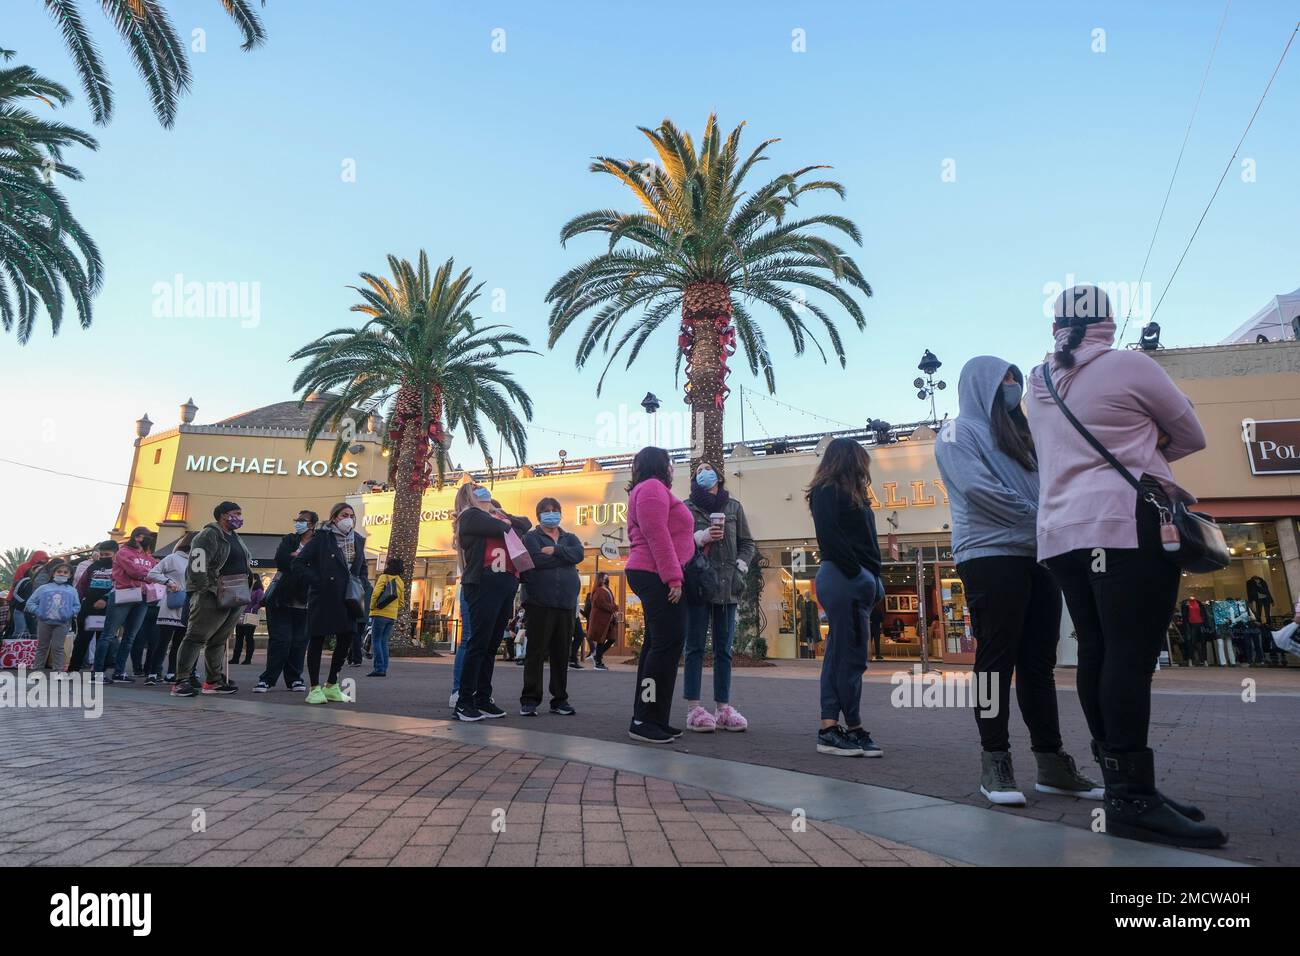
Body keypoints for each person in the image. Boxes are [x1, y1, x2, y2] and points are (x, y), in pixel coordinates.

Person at [1026, 284, 1226, 848]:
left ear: (1057, 324)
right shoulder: (1129, 366)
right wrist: (1148, 441)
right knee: (1131, 656)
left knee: (1097, 650)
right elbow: (1193, 435)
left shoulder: (1039, 382)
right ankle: (1134, 797)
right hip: (1124, 523)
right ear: (1109, 321)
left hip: (1061, 534)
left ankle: (1125, 787)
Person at [935, 354, 1101, 806]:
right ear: (981, 384)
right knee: (995, 660)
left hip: (1038, 553)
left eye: (1014, 377)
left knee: (1038, 663)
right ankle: (995, 760)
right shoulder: (956, 432)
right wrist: (1040, 518)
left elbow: (1052, 486)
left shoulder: (1022, 436)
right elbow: (977, 490)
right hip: (989, 555)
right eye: (1004, 378)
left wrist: (1055, 525)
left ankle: (1050, 761)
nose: (1012, 385)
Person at [808, 437, 884, 757]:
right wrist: (859, 574)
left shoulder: (852, 495)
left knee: (842, 655)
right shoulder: (828, 491)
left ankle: (836, 727)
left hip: (853, 581)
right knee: (851, 658)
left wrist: (870, 579)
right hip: (845, 579)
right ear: (850, 460)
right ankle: (845, 727)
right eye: (861, 460)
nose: (865, 467)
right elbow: (830, 536)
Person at [624, 446, 694, 744]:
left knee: (660, 645)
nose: (672, 468)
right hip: (655, 573)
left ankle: (654, 717)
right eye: (670, 463)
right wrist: (673, 577)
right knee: (665, 646)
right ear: (659, 465)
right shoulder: (652, 488)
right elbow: (657, 535)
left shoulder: (650, 489)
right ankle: (644, 718)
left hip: (656, 572)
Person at [682, 460, 756, 733]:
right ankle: (694, 708)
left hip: (728, 587)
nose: (704, 473)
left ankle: (723, 708)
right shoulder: (686, 508)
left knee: (724, 650)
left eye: (708, 468)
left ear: (719, 476)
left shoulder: (734, 507)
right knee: (695, 647)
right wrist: (700, 537)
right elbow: (678, 543)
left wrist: (741, 566)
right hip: (699, 585)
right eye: (698, 471)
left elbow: (747, 543)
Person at [453, 486, 531, 721]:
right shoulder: (469, 516)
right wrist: (502, 518)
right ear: (469, 497)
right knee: (478, 643)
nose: (484, 494)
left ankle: (483, 698)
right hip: (484, 584)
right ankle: (464, 701)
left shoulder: (491, 516)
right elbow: (504, 527)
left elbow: (525, 523)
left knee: (490, 645)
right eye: (478, 491)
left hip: (504, 584)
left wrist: (502, 514)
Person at [172, 501, 249, 697]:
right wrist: (204, 588)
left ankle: (213, 681)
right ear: (224, 515)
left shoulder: (235, 537)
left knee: (219, 639)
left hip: (234, 593)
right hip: (212, 592)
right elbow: (198, 564)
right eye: (236, 513)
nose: (240, 517)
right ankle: (181, 681)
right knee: (196, 636)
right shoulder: (208, 535)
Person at [294, 502, 367, 704]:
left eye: (351, 515)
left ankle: (332, 684)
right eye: (344, 514)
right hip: (324, 596)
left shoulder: (359, 540)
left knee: (347, 637)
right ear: (334, 517)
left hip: (349, 597)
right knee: (317, 638)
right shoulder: (322, 539)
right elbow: (299, 563)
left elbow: (361, 567)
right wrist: (317, 580)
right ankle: (314, 687)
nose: (349, 519)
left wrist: (361, 585)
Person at [519, 497, 584, 716]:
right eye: (546, 511)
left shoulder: (570, 537)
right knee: (535, 652)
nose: (551, 514)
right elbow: (535, 560)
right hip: (539, 603)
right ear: (539, 515)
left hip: (565, 604)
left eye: (555, 510)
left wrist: (555, 551)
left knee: (561, 653)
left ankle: (559, 700)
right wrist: (565, 557)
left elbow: (579, 554)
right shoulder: (531, 537)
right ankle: (530, 699)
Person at [256, 510, 316, 693]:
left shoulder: (319, 542)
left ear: (312, 524)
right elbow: (281, 560)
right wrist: (303, 561)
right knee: (281, 640)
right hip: (281, 598)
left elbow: (318, 565)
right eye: (297, 519)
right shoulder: (288, 539)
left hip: (305, 601)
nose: (298, 523)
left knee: (299, 642)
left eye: (303, 520)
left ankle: (294, 678)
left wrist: (297, 558)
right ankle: (267, 679)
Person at [104, 527, 158, 682]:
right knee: (108, 634)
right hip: (123, 594)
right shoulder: (124, 552)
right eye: (147, 537)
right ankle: (97, 672)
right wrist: (148, 576)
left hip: (141, 596)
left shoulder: (148, 557)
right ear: (138, 537)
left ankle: (119, 672)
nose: (150, 540)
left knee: (130, 637)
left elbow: (155, 572)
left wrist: (150, 576)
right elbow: (134, 571)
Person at [447, 483, 479, 708]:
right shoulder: (470, 520)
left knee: (473, 640)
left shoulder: (465, 521)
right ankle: (459, 690)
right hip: (471, 585)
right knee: (468, 639)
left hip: (471, 584)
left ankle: (467, 689)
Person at [146, 533, 192, 685]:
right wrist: (168, 582)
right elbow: (152, 573)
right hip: (172, 603)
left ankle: (172, 672)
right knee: (163, 641)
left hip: (188, 605)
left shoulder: (198, 561)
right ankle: (153, 672)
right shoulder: (172, 558)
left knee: (180, 643)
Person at [70, 542, 117, 671]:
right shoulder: (91, 567)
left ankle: (98, 671)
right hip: (88, 608)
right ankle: (73, 669)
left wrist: (105, 599)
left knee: (102, 640)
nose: (103, 557)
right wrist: (78, 603)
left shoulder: (118, 568)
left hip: (107, 609)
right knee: (82, 640)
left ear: (115, 554)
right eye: (101, 554)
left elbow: (118, 586)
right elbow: (81, 586)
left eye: (107, 554)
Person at [28, 560, 79, 671]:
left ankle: (58, 671)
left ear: (70, 575)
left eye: (65, 572)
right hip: (44, 622)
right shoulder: (43, 588)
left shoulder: (72, 591)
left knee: (58, 647)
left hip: (62, 624)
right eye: (59, 571)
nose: (62, 574)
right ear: (53, 573)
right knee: (42, 647)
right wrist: (39, 612)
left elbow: (77, 606)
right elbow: (30, 602)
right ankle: (37, 671)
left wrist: (69, 614)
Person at [367, 557, 405, 677]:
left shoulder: (384, 577)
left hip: (379, 613)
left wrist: (372, 606)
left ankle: (379, 668)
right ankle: (384, 668)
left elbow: (376, 594)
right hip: (391, 616)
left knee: (376, 640)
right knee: (384, 642)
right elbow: (401, 602)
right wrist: (394, 608)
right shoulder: (400, 581)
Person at [10, 550, 49, 636]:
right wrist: (24, 602)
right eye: (43, 558)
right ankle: (14, 647)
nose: (44, 560)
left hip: (31, 609)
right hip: (19, 607)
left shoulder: (42, 580)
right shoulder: (24, 573)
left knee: (32, 630)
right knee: (19, 629)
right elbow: (15, 589)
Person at [230, 572, 264, 665]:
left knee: (249, 638)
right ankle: (235, 658)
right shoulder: (245, 589)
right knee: (239, 638)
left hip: (250, 616)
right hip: (241, 615)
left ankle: (248, 659)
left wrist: (253, 609)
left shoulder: (258, 591)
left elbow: (260, 602)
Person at [585, 572, 617, 670]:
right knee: (601, 640)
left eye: (607, 578)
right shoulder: (598, 590)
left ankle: (597, 656)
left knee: (612, 639)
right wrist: (615, 607)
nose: (606, 579)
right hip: (600, 619)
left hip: (608, 620)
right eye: (604, 578)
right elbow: (601, 604)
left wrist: (614, 608)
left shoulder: (607, 589)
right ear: (599, 579)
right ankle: (598, 662)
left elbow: (609, 603)